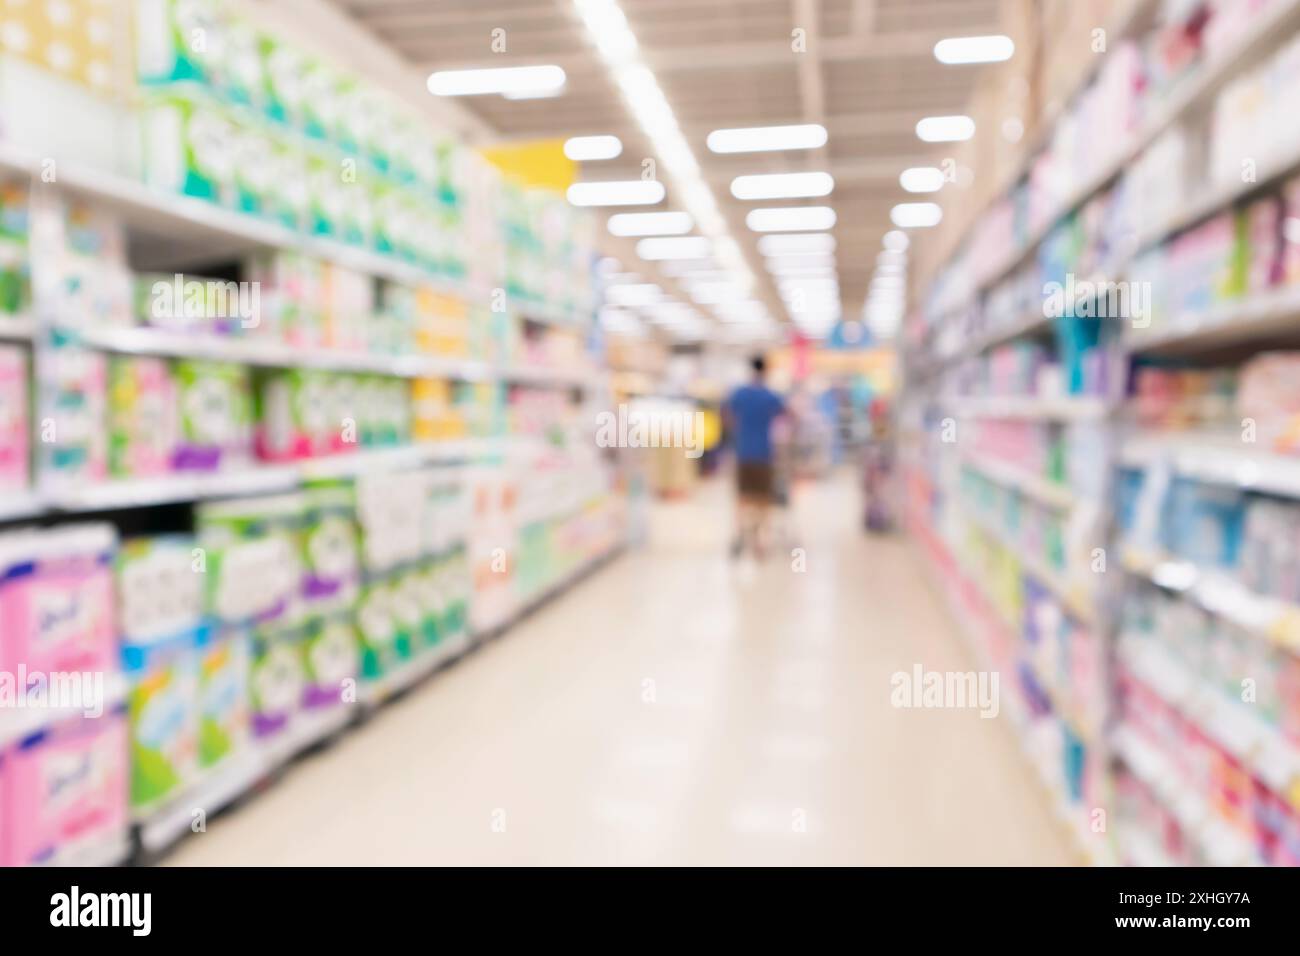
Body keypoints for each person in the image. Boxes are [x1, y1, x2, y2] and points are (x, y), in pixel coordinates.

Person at [725, 355, 786, 559]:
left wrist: (739, 431)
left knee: (742, 498)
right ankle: (760, 541)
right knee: (763, 501)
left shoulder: (740, 394)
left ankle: (740, 535)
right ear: (766, 370)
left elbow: (727, 415)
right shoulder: (770, 395)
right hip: (764, 455)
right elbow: (786, 415)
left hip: (744, 453)